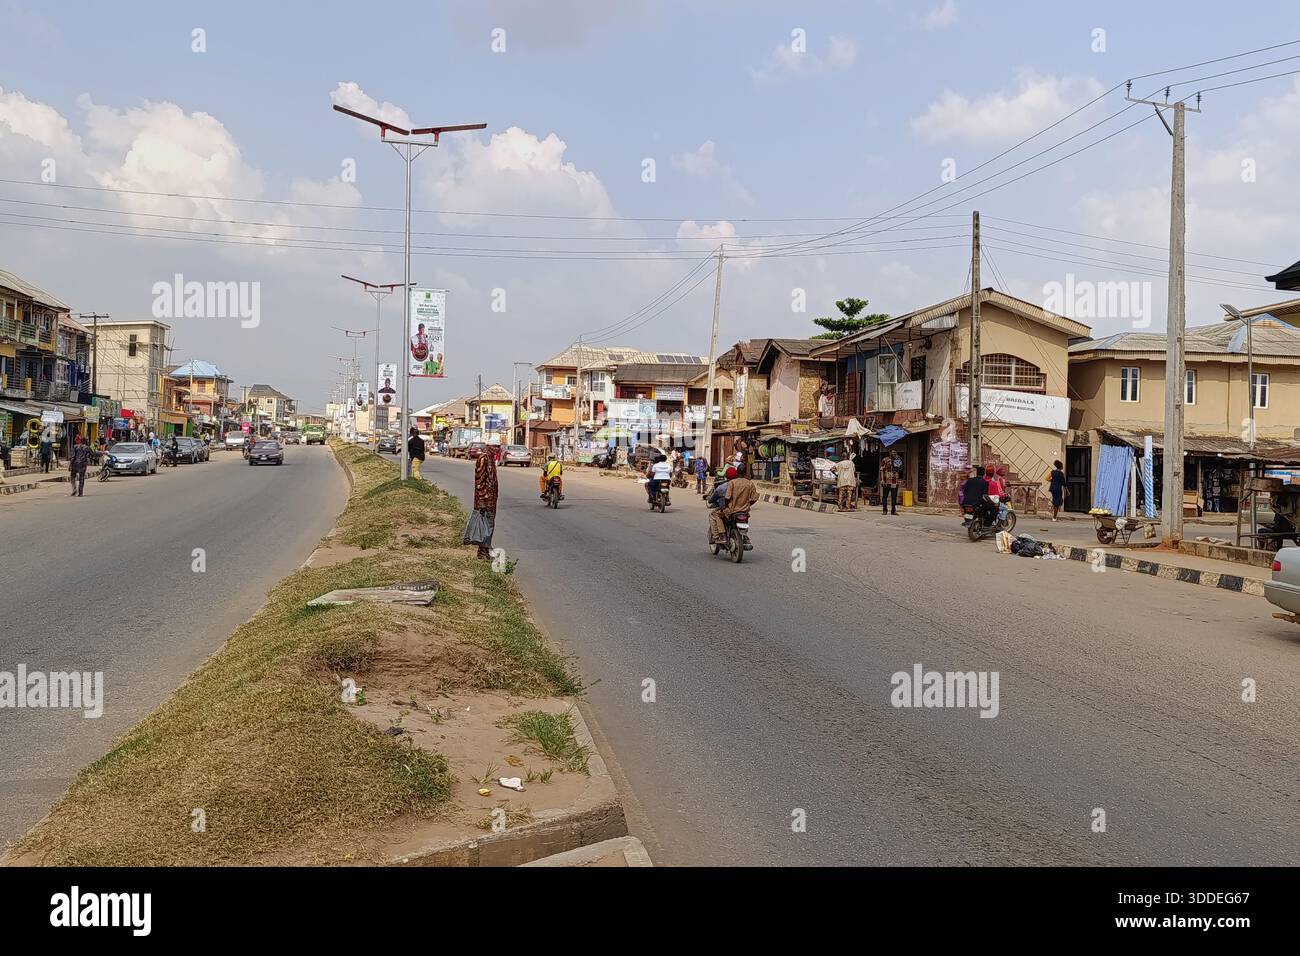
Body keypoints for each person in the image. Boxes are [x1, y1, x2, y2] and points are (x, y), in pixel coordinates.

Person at [709, 464, 759, 544]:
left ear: (737, 472)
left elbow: (727, 497)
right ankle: (745, 536)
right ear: (745, 473)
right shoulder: (750, 484)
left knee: (716, 515)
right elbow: (754, 498)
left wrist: (725, 508)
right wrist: (748, 505)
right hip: (744, 511)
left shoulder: (732, 483)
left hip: (732, 510)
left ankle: (722, 536)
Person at [464, 451, 498, 560]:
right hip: (485, 500)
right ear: (488, 446)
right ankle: (483, 551)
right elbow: (480, 480)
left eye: (498, 446)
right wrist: (482, 499)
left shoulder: (491, 458)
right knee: (486, 525)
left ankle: (484, 550)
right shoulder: (484, 458)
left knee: (489, 525)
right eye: (494, 446)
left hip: (491, 500)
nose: (496, 448)